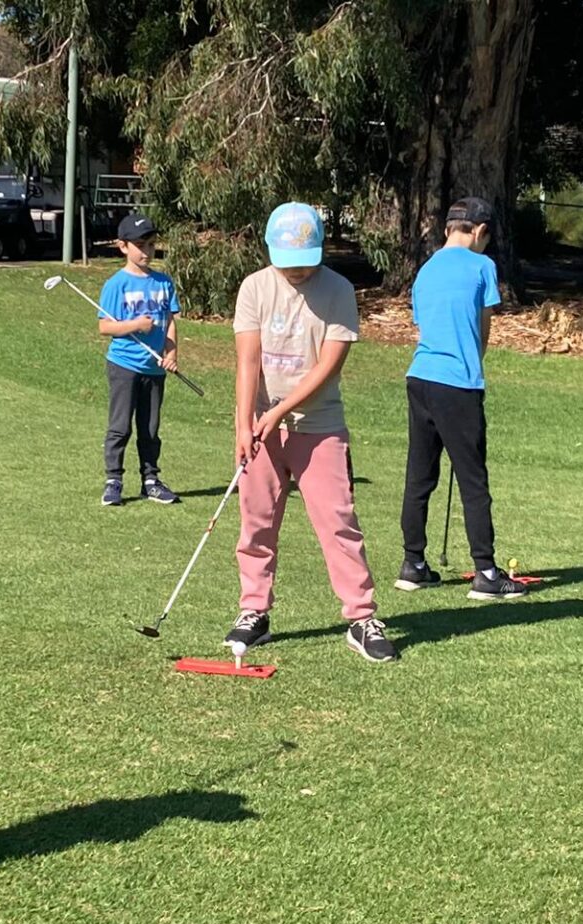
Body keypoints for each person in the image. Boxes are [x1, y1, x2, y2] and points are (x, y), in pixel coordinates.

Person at [225, 202, 398, 663]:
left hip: (319, 426)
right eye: (288, 261)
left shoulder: (339, 290)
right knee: (256, 521)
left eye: (305, 260)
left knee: (338, 522)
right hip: (261, 425)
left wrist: (281, 410)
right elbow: (248, 361)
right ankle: (254, 611)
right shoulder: (255, 288)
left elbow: (330, 364)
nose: (297, 270)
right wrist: (244, 423)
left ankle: (361, 618)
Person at [396, 196, 525, 601]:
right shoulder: (482, 267)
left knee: (420, 476)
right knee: (473, 480)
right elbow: (482, 329)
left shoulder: (425, 270)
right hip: (458, 384)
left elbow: (427, 323)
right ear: (481, 231)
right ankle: (486, 572)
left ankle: (413, 564)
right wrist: (474, 365)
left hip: (420, 378)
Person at [97, 212, 181, 507]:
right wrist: (135, 326)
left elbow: (170, 321)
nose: (147, 251)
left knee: (150, 428)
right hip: (124, 365)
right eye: (140, 245)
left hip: (154, 367)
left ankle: (150, 480)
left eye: (151, 244)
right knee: (121, 426)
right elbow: (105, 326)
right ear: (123, 247)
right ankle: (113, 481)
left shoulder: (163, 283)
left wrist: (171, 353)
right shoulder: (115, 285)